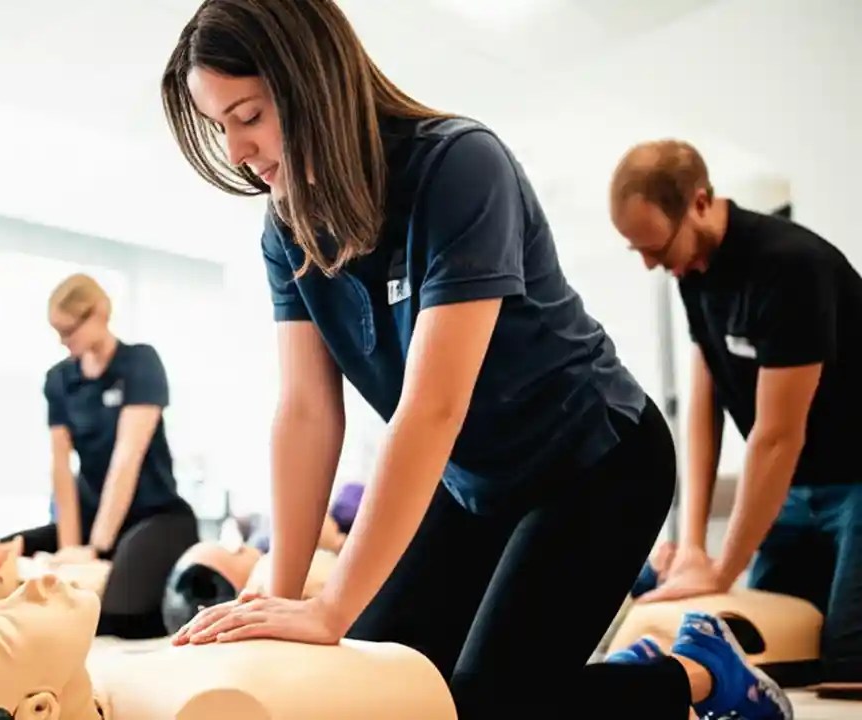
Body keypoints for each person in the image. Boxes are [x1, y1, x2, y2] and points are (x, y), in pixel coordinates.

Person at [160, 2, 793, 718]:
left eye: (248, 116)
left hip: (597, 461)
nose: (237, 151)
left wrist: (331, 606)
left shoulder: (457, 164)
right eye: (221, 128)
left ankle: (702, 673)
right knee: (380, 685)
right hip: (472, 482)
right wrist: (283, 591)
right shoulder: (287, 228)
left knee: (487, 704)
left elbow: (433, 407)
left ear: (314, 84)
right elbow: (306, 411)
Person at [610, 138, 862, 685]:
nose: (652, 264)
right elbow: (705, 410)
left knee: (846, 665)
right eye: (639, 251)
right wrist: (696, 546)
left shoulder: (790, 267)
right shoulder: (695, 272)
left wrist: (724, 569)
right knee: (771, 658)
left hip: (854, 481)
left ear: (699, 203)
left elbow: (777, 436)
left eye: (656, 246)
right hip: (796, 489)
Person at [0, 273, 198, 638]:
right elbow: (61, 468)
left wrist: (96, 549)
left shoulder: (140, 363)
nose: (63, 342)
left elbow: (126, 460)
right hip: (90, 516)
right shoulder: (58, 379)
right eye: (57, 332)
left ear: (100, 314)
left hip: (154, 515)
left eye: (70, 330)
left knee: (119, 614)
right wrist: (70, 550)